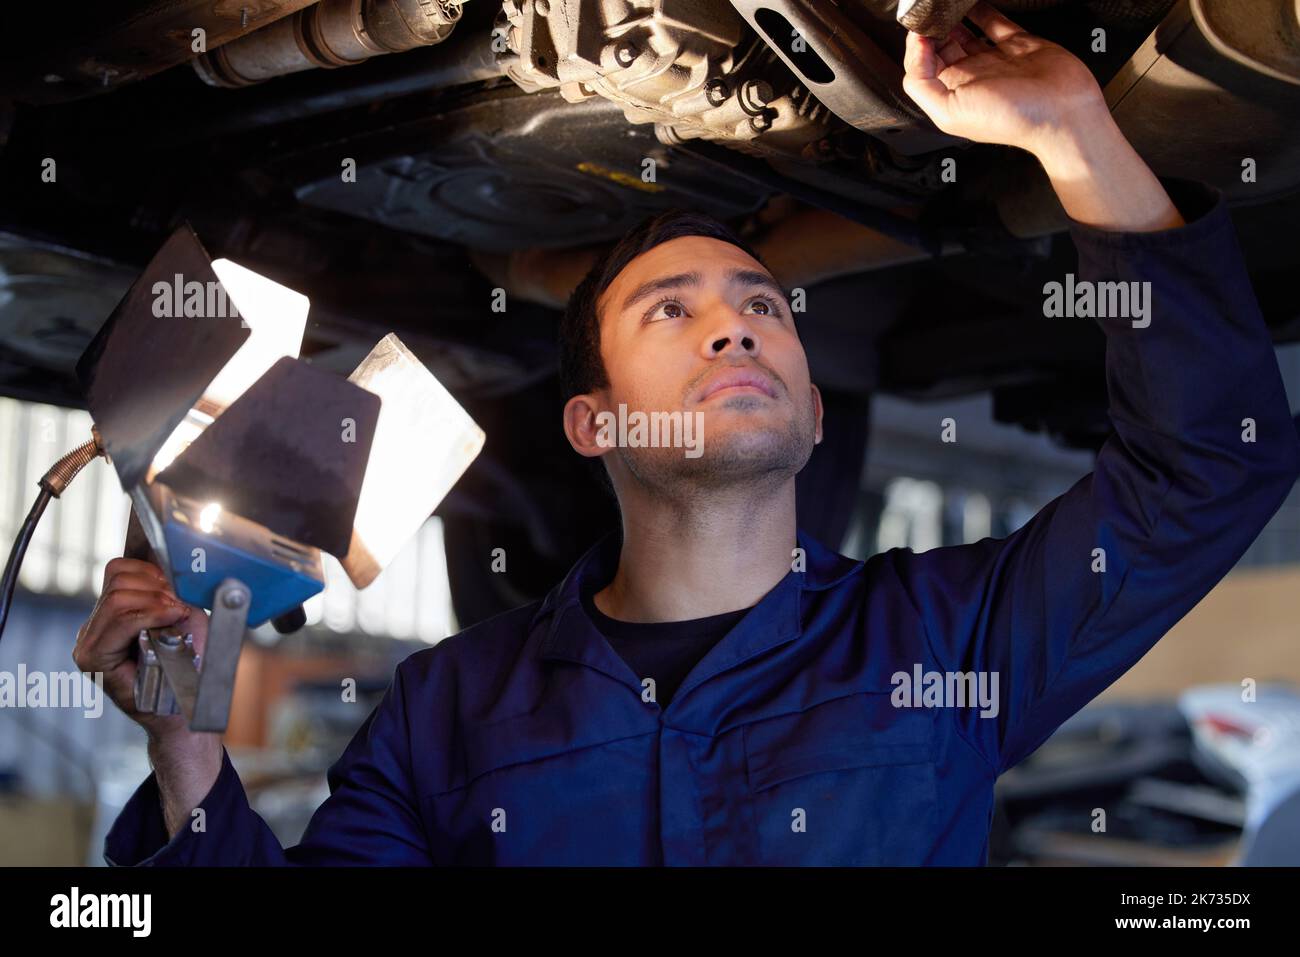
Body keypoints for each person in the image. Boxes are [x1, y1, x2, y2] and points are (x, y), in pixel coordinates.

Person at [77, 3, 1300, 865]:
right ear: (594, 420)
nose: (736, 329)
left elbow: (1210, 463)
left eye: (764, 308)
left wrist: (1073, 131)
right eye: (675, 310)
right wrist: (186, 756)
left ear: (815, 412)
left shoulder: (947, 644)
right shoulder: (445, 710)